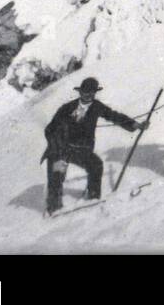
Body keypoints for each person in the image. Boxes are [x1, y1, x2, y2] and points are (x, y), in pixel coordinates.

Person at [41, 77, 144, 214]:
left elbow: (114, 116)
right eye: (85, 92)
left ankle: (93, 200)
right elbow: (49, 130)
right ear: (80, 92)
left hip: (81, 151)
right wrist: (57, 145)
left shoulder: (97, 107)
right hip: (60, 150)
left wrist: (134, 124)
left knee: (95, 165)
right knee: (57, 172)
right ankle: (54, 209)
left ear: (95, 93)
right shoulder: (67, 108)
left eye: (91, 92)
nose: (88, 95)